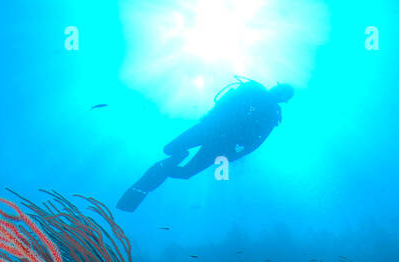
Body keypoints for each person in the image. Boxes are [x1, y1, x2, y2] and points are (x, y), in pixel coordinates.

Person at [116, 80, 294, 212]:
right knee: (169, 150)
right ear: (275, 87)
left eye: (283, 94)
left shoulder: (272, 114)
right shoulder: (252, 89)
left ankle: (160, 171)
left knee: (186, 173)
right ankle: (176, 159)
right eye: (280, 90)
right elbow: (223, 103)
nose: (278, 93)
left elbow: (255, 144)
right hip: (209, 128)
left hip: (221, 144)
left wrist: (233, 156)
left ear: (284, 99)